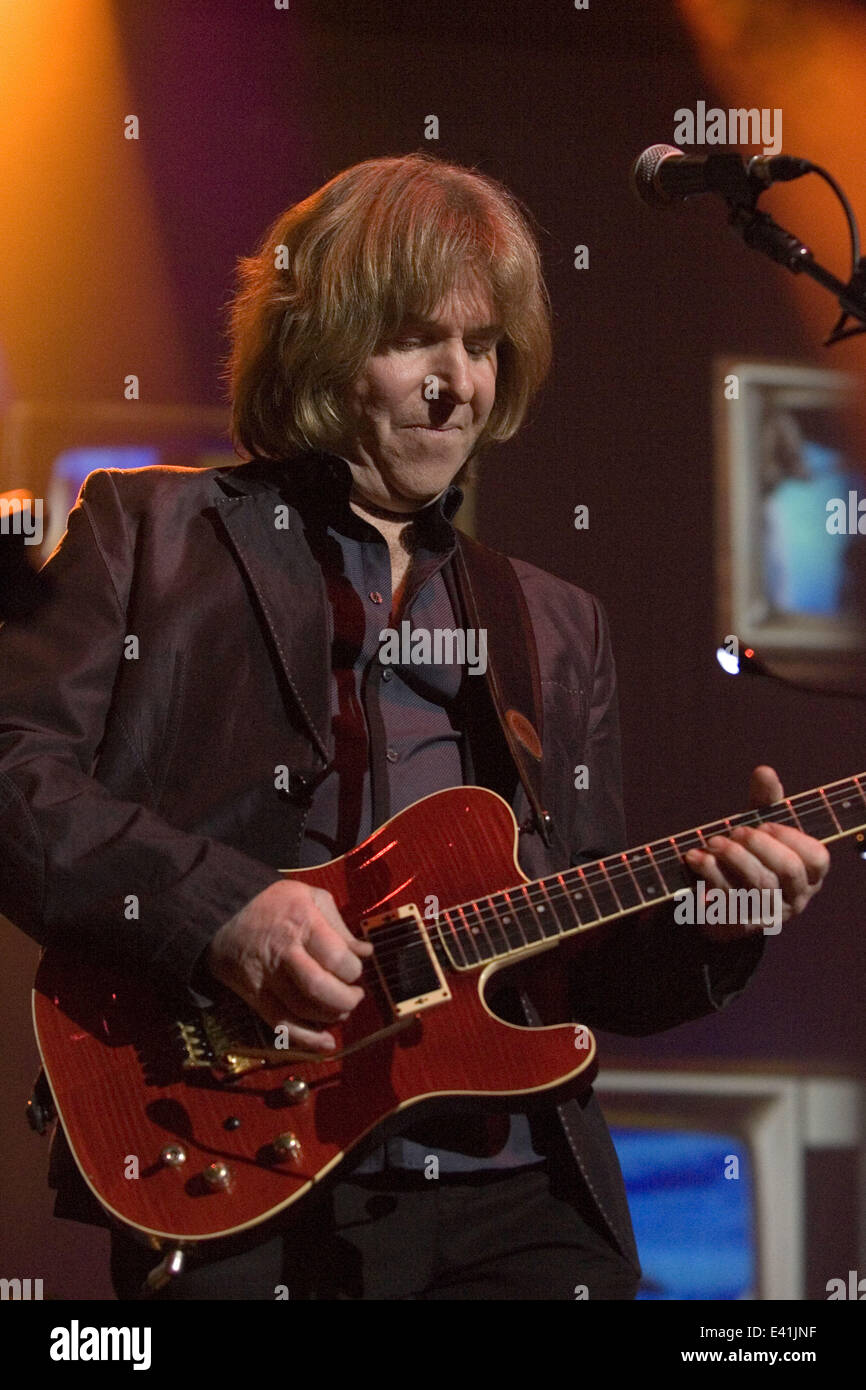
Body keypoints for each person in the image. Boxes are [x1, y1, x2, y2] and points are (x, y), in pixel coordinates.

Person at [0, 153, 830, 1301]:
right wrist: (219, 913)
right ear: (323, 344)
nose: (459, 384)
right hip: (236, 1149)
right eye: (417, 341)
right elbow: (13, 775)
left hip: (517, 1186)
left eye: (482, 346)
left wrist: (724, 915)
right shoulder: (148, 532)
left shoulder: (553, 619)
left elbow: (580, 960)